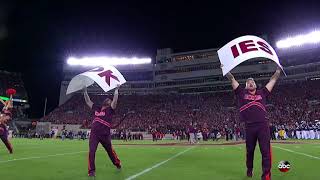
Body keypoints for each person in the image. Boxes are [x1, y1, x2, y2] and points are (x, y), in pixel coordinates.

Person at [225, 66, 281, 180]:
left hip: (263, 126)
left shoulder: (263, 92)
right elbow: (232, 79)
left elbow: (273, 80)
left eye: (252, 82)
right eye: (248, 82)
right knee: (250, 152)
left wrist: (278, 71)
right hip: (249, 126)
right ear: (246, 86)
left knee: (265, 151)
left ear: (255, 84)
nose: (251, 83)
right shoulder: (241, 92)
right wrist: (226, 71)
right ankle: (249, 168)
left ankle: (266, 175)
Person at [84, 85, 121, 177]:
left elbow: (115, 101)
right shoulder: (97, 108)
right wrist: (85, 91)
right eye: (109, 100)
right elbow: (88, 101)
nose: (111, 101)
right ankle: (91, 171)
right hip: (94, 134)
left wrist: (116, 89)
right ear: (105, 102)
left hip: (105, 135)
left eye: (111, 100)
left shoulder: (110, 110)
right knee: (92, 151)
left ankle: (117, 163)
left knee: (110, 151)